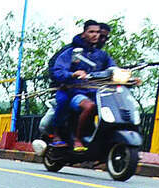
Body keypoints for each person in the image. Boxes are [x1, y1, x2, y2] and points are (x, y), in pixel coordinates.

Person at [48, 21, 116, 150]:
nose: (95, 35)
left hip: (95, 92)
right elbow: (58, 71)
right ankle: (75, 139)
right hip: (74, 91)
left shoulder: (102, 55)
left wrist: (128, 77)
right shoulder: (71, 52)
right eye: (91, 32)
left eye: (97, 32)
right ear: (84, 34)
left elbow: (113, 68)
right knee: (88, 106)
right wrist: (72, 74)